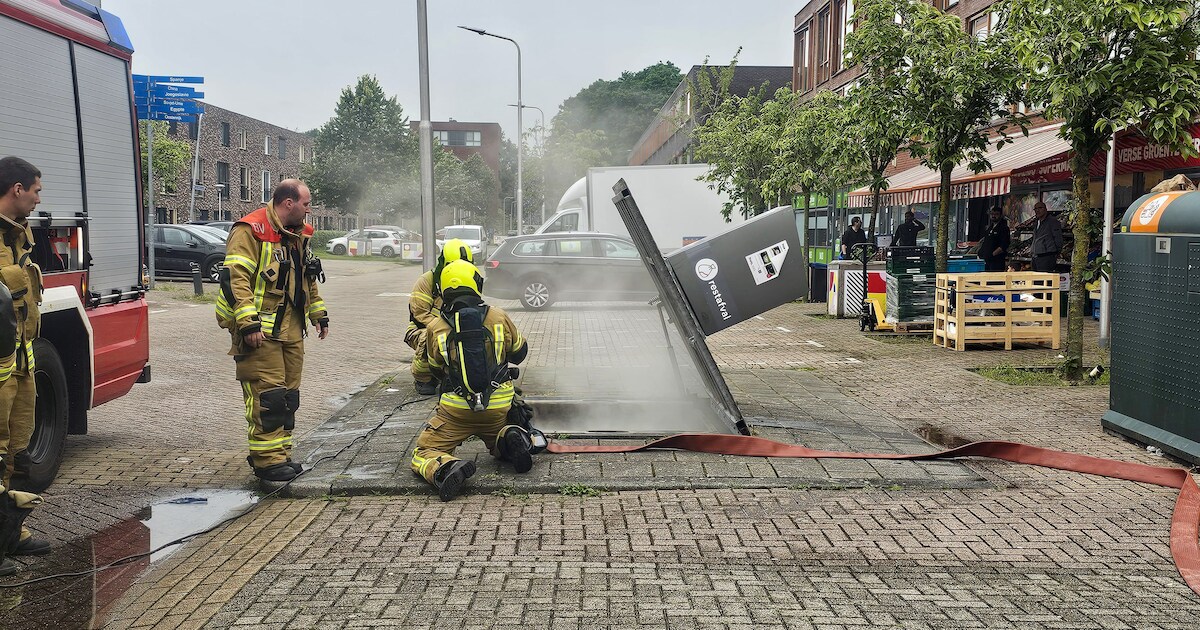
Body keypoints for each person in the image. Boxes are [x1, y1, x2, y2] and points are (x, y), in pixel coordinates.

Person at [216, 179, 329, 483]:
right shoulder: (249, 230)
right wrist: (248, 323)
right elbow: (234, 279)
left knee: (288, 397)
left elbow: (307, 276)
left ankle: (281, 455)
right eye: (306, 204)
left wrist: (318, 312)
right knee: (268, 397)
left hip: (291, 329)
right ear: (288, 203)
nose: (309, 210)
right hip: (259, 332)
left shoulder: (298, 234)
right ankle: (266, 461)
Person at [410, 260, 531, 501]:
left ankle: (445, 467)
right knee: (497, 441)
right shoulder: (498, 316)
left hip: (456, 411)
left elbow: (435, 369)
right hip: (497, 407)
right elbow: (519, 352)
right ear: (477, 284)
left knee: (423, 452)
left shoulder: (436, 326)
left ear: (444, 289)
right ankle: (508, 437)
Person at [0, 157, 50, 574]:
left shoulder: (18, 233)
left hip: (18, 362)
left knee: (15, 453)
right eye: (35, 190)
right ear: (16, 189)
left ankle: (9, 534)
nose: (38, 198)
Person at [404, 239, 474, 395]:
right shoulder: (427, 281)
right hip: (421, 329)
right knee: (428, 338)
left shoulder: (470, 278)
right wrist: (445, 328)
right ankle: (424, 378)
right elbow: (419, 314)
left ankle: (457, 375)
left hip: (455, 328)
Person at [1030, 201, 1063, 273]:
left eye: (1040, 208)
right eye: (1035, 209)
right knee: (1036, 280)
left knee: (1044, 280)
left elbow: (1058, 237)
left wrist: (1056, 252)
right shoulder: (1037, 222)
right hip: (1036, 257)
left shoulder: (1053, 221)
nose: (1037, 210)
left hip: (1047, 256)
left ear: (1045, 209)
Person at [978, 206, 1010, 272]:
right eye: (992, 214)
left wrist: (992, 254)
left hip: (997, 261)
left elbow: (1004, 245)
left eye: (996, 214)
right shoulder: (990, 227)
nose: (993, 216)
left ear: (1001, 215)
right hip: (986, 259)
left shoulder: (1004, 228)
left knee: (995, 281)